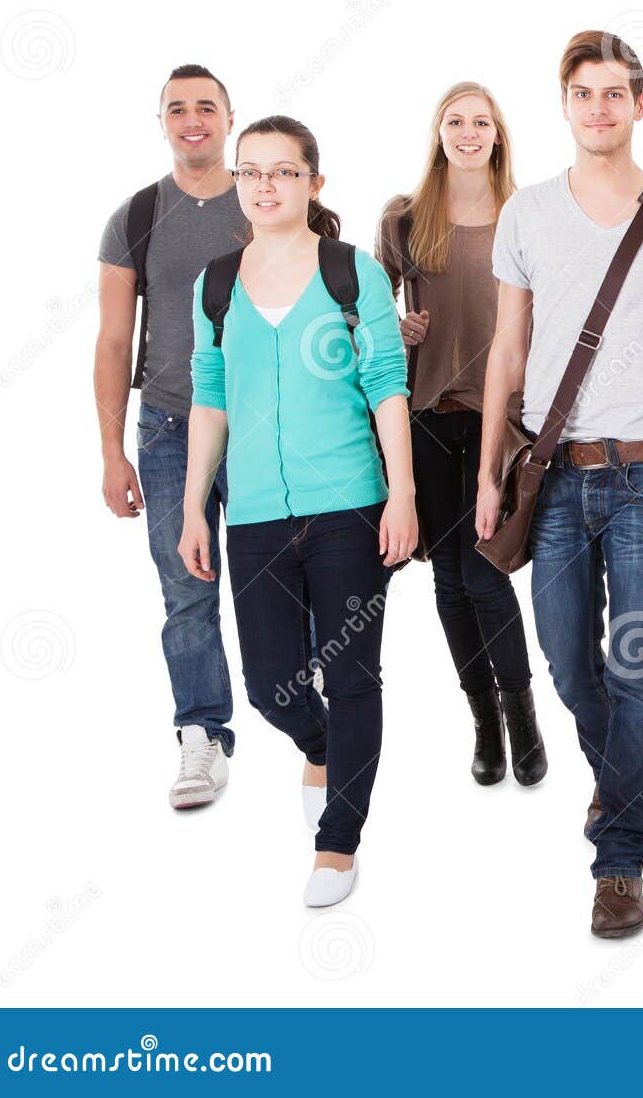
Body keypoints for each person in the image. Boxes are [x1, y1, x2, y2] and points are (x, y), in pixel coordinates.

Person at [475, 31, 643, 939]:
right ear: (565, 104)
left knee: (639, 668)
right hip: (554, 473)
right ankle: (617, 775)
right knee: (571, 661)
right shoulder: (528, 213)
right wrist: (491, 474)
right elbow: (508, 349)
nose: (600, 109)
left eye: (615, 94)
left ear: (640, 105)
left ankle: (620, 857)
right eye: (584, 94)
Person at [179, 116, 414, 907]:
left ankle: (338, 843)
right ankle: (322, 749)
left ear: (315, 182)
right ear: (238, 183)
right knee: (272, 683)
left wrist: (403, 495)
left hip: (348, 503)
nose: (267, 185)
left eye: (284, 171)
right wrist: (191, 511)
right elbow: (210, 401)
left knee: (351, 674)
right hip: (253, 514)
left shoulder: (353, 273)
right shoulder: (216, 283)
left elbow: (387, 384)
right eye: (251, 172)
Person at [377, 81, 546, 789]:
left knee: (485, 569)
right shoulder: (405, 218)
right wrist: (396, 326)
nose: (469, 132)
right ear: (438, 132)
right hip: (428, 415)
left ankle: (522, 714)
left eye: (481, 121)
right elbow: (362, 318)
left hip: (501, 419)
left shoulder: (528, 213)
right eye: (456, 121)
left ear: (499, 134)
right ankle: (483, 718)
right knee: (449, 577)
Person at [96, 64, 248, 810]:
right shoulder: (136, 215)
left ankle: (310, 714)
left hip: (258, 424)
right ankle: (203, 733)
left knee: (282, 572)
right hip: (166, 427)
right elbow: (114, 339)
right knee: (185, 589)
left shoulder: (262, 198)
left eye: (206, 108)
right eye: (177, 109)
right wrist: (110, 449)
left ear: (228, 117)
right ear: (162, 121)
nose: (193, 120)